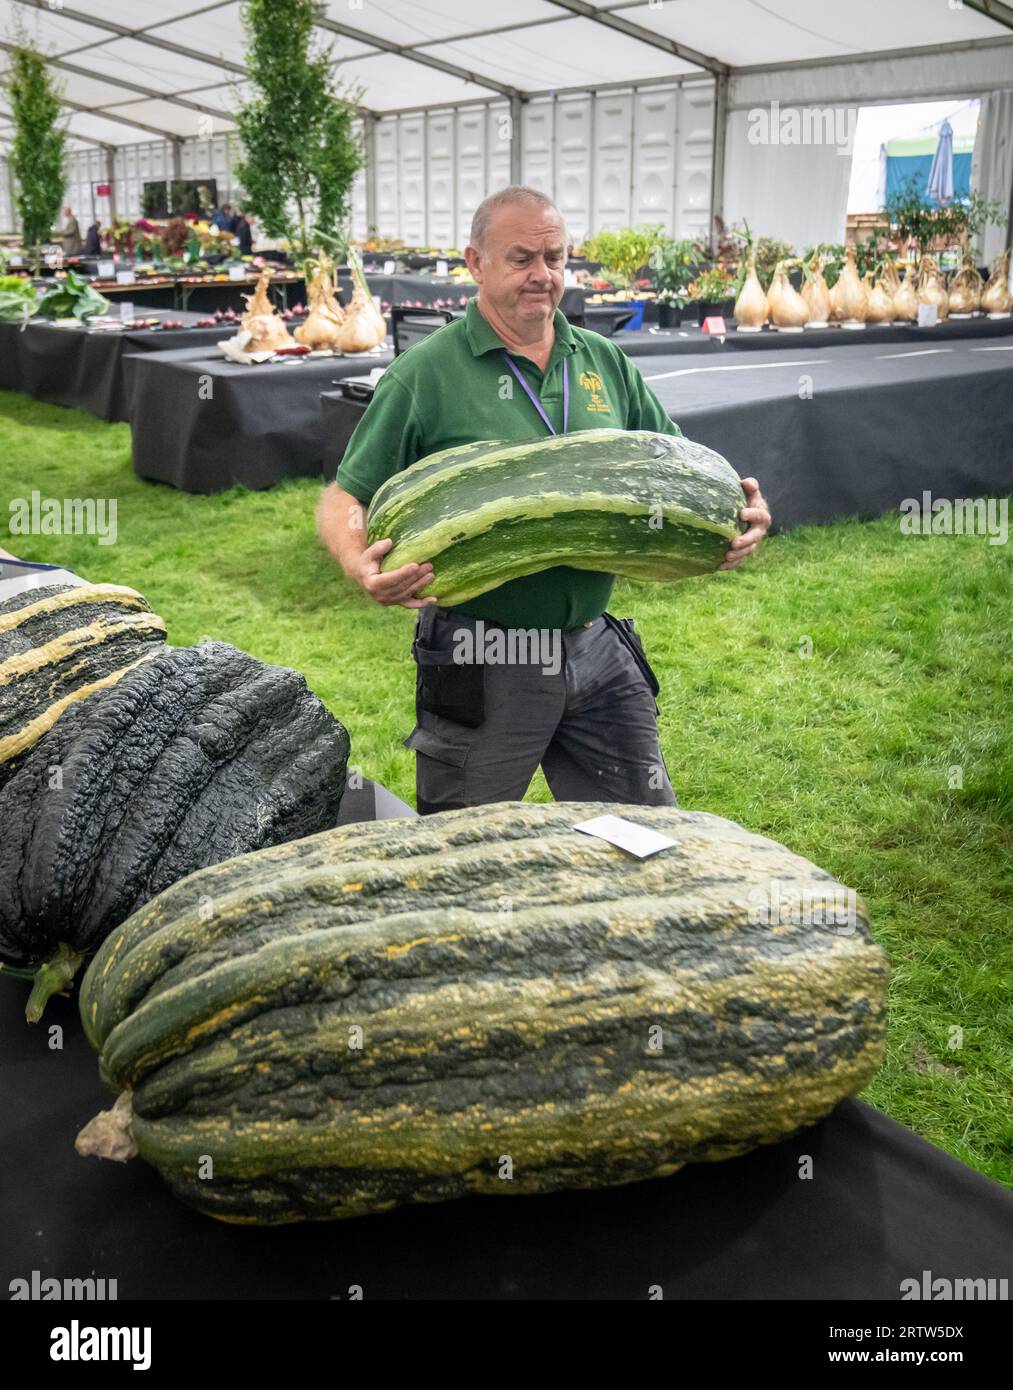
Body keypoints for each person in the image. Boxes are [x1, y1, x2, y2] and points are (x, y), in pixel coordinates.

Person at [317, 185, 770, 814]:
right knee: (462, 852)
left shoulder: (603, 360)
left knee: (641, 837)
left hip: (599, 648)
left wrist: (739, 511)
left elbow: (674, 462)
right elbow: (346, 495)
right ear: (475, 264)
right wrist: (356, 560)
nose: (543, 276)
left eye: (554, 258)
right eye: (521, 258)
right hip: (485, 654)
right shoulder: (425, 374)